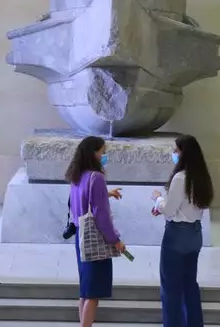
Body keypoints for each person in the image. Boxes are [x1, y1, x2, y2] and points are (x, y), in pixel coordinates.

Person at [151, 135, 214, 327]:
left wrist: (157, 199)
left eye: (175, 151)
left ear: (184, 154)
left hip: (177, 234)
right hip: (194, 234)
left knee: (170, 288)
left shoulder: (180, 177)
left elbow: (170, 210)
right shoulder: (201, 176)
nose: (173, 154)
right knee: (189, 285)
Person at [66, 136, 125, 327]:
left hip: (81, 238)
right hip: (96, 239)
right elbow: (101, 216)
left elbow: (80, 199)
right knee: (93, 294)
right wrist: (115, 240)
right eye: (102, 151)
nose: (104, 155)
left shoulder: (77, 174)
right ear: (93, 153)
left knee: (85, 290)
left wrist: (106, 193)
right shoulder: (97, 177)